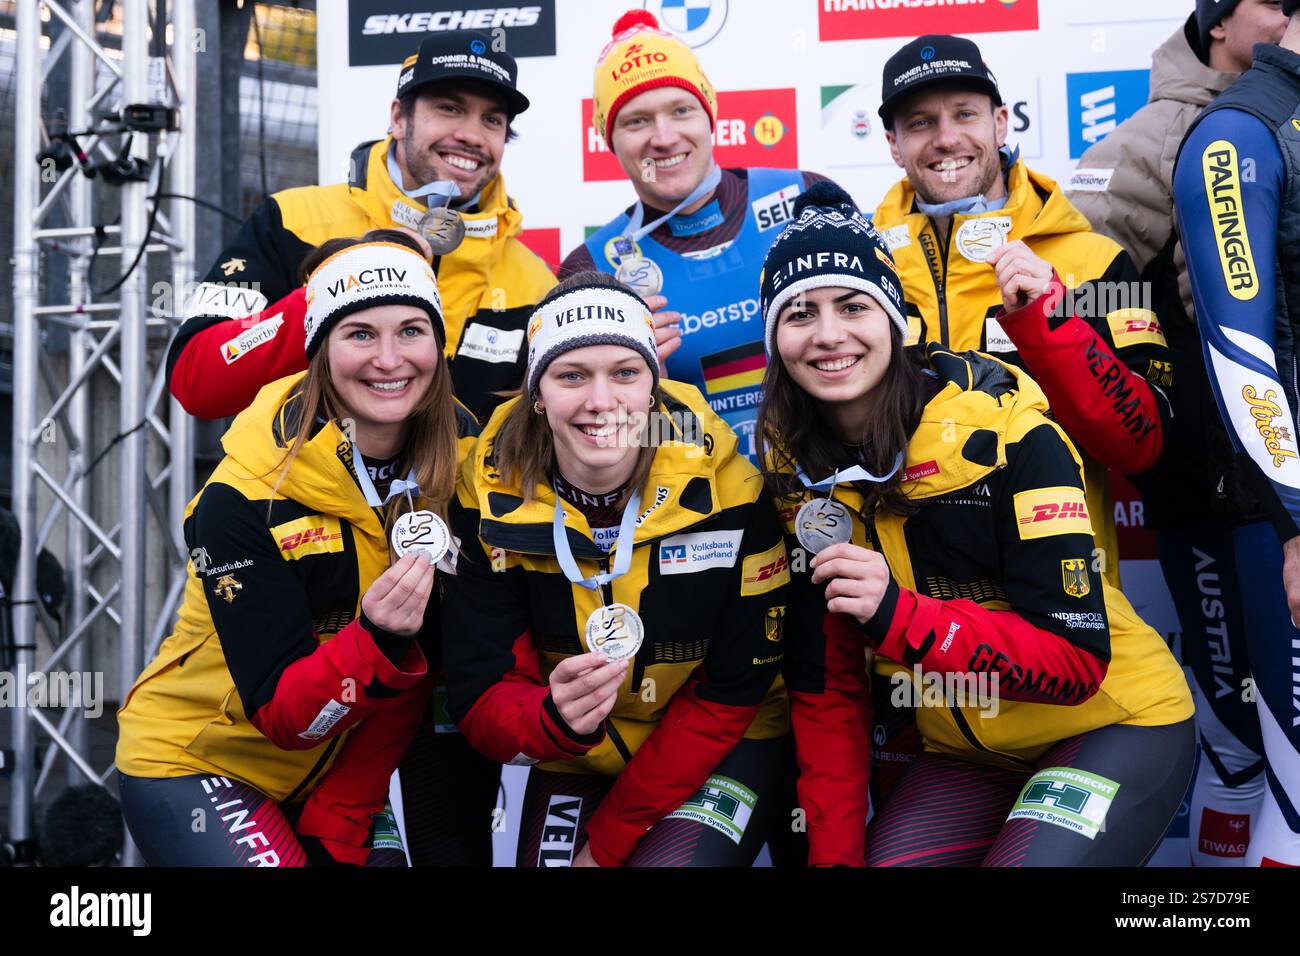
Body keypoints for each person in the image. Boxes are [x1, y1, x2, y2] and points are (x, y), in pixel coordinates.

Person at [760, 183, 1195, 866]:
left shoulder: (1006, 430)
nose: (829, 334)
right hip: (967, 752)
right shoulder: (791, 465)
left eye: (852, 306)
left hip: (1111, 722)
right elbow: (831, 687)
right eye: (799, 313)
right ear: (773, 339)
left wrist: (898, 615)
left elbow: (1075, 663)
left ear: (897, 319)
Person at [116, 232, 473, 865]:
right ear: (319, 352)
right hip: (203, 761)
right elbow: (284, 715)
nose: (390, 359)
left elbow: (413, 682)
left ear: (439, 345)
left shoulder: (464, 459)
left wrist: (343, 817)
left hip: (338, 772)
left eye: (411, 330)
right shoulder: (246, 493)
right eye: (359, 334)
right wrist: (378, 638)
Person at [441, 271, 793, 866]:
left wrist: (604, 847)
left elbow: (732, 695)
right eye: (571, 375)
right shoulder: (482, 494)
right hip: (577, 749)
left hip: (718, 744)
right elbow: (480, 696)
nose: (601, 402)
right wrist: (549, 719)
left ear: (653, 388)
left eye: (625, 373)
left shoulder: (732, 487)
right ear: (536, 392)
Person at [1067, 0, 1288, 866]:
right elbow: (1067, 285)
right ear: (1221, 21)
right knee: (1238, 736)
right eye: (1278, 3)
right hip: (1213, 490)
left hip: (1283, 480)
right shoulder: (1154, 136)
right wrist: (1161, 374)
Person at [871, 34, 1175, 595]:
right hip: (906, 615)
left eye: (965, 114)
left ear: (1002, 122)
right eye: (920, 123)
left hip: (1064, 603)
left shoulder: (1094, 262)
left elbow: (1142, 446)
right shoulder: (865, 273)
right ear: (892, 143)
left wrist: (1052, 320)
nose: (946, 139)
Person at [166, 29, 555, 426]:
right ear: (399, 118)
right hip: (300, 488)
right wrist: (330, 294)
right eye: (449, 109)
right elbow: (196, 379)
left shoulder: (533, 282)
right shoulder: (290, 219)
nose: (472, 135)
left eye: (492, 120)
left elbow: (541, 445)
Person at [559, 9, 835, 465]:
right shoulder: (589, 268)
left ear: (709, 117)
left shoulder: (804, 196)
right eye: (636, 121)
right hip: (704, 510)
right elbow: (596, 447)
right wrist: (641, 383)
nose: (664, 138)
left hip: (832, 490)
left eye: (681, 110)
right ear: (610, 141)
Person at [1172, 0, 1300, 866]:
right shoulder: (1239, 135)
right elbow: (1239, 349)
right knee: (1291, 799)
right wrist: (1297, 525)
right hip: (1280, 517)